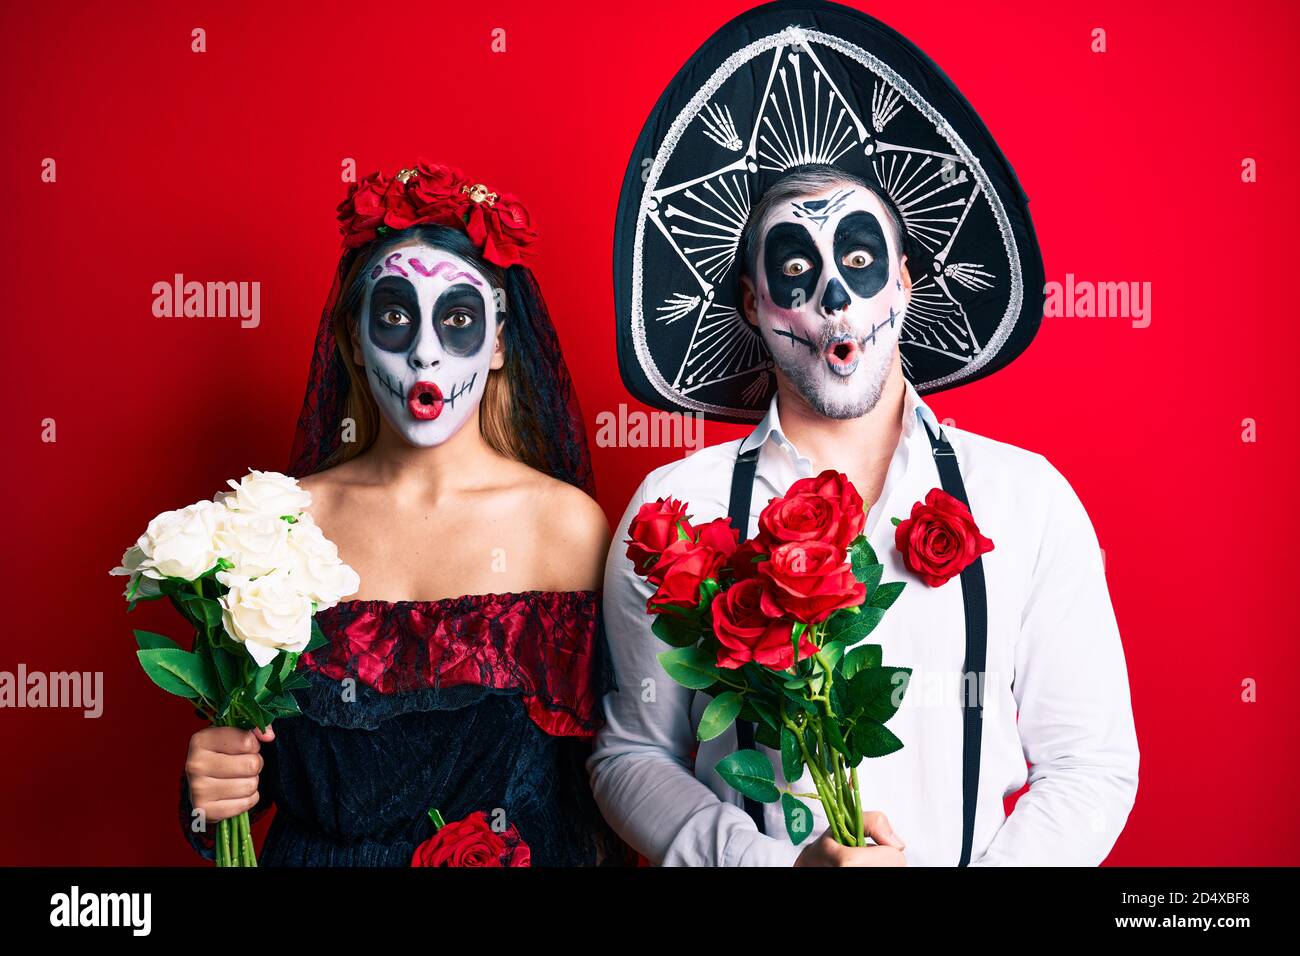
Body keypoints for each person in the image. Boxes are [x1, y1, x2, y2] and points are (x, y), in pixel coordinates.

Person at [593, 2, 1139, 866]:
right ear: (751, 306)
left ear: (906, 287)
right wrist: (769, 866)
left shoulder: (1027, 501)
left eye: (858, 261)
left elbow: (1091, 764)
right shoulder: (675, 510)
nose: (834, 300)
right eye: (795, 270)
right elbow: (631, 756)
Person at [178, 160, 626, 866]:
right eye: (393, 316)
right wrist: (211, 788)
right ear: (354, 341)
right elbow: (244, 776)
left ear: (502, 341)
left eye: (456, 319)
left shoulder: (564, 529)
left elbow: (599, 788)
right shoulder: (281, 525)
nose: (423, 351)